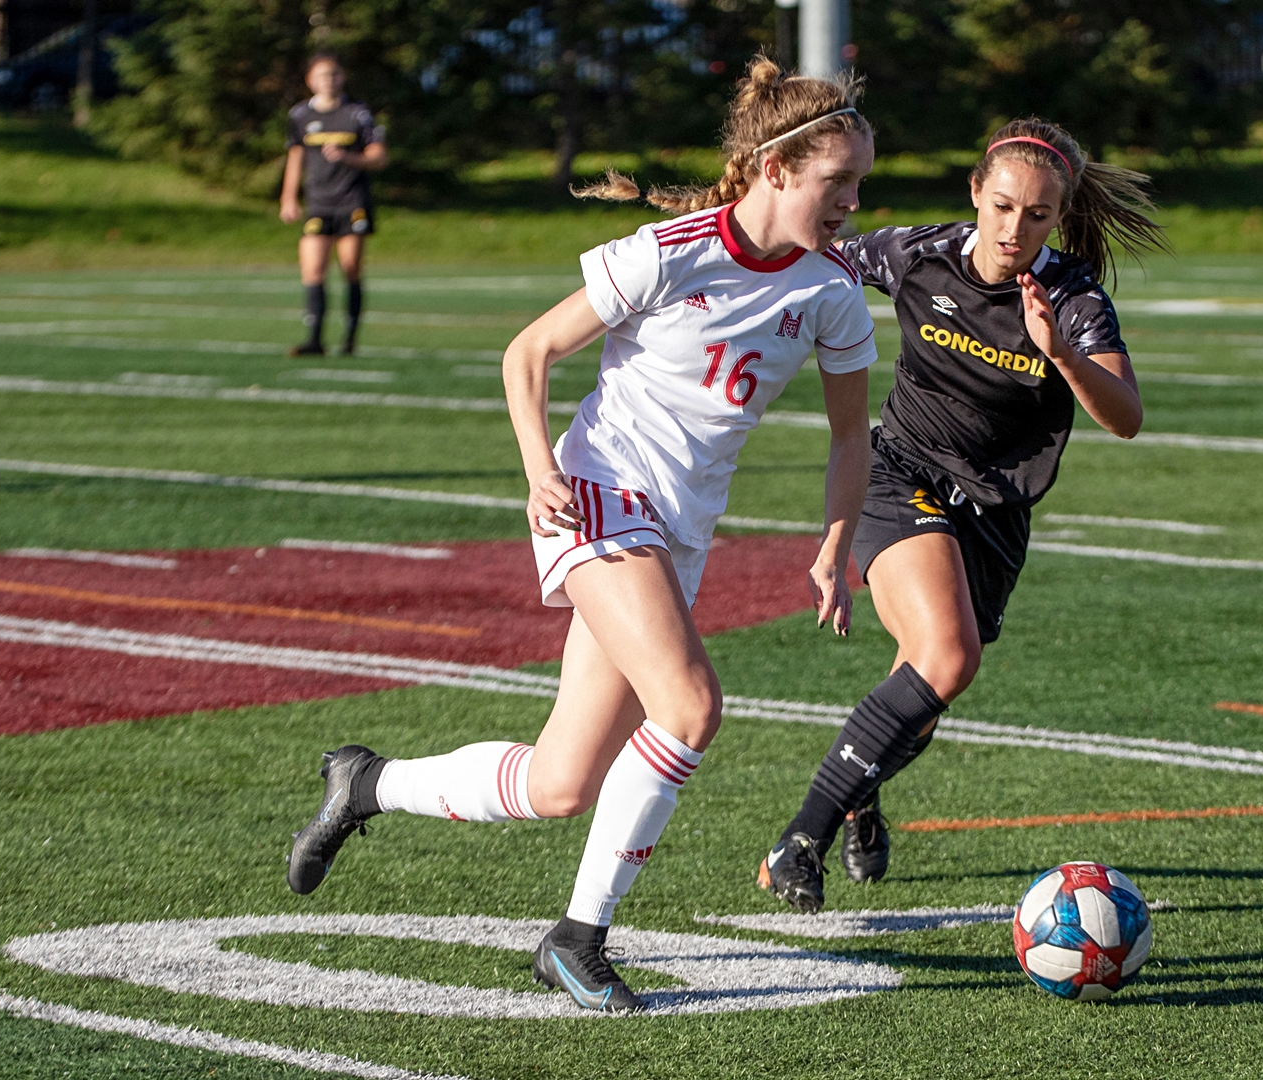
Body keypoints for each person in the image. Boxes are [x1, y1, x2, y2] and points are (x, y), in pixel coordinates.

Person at [282, 57, 878, 1013]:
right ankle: (577, 939)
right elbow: (528, 353)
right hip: (599, 494)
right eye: (835, 182)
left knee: (559, 783)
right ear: (774, 171)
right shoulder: (668, 251)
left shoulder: (832, 289)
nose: (852, 200)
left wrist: (835, 539)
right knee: (687, 708)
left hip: (676, 533)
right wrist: (540, 473)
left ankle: (367, 785)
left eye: (859, 183)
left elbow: (852, 433)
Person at [757, 117, 1161, 913]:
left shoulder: (1072, 298)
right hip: (899, 473)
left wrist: (1063, 353)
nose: (1015, 229)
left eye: (1037, 215)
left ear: (1059, 215)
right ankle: (797, 840)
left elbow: (1127, 416)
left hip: (996, 513)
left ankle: (860, 789)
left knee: (926, 690)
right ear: (975, 193)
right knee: (946, 657)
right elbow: (816, 242)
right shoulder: (920, 254)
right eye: (1002, 206)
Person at [279, 52, 386, 357]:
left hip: (352, 201)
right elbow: (295, 157)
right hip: (318, 203)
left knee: (350, 267)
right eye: (323, 75)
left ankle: (350, 339)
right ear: (310, 80)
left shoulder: (357, 113)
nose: (330, 80)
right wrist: (288, 197)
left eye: (335, 74)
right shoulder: (300, 115)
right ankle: (314, 339)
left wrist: (348, 157)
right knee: (313, 270)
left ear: (342, 78)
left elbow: (379, 157)